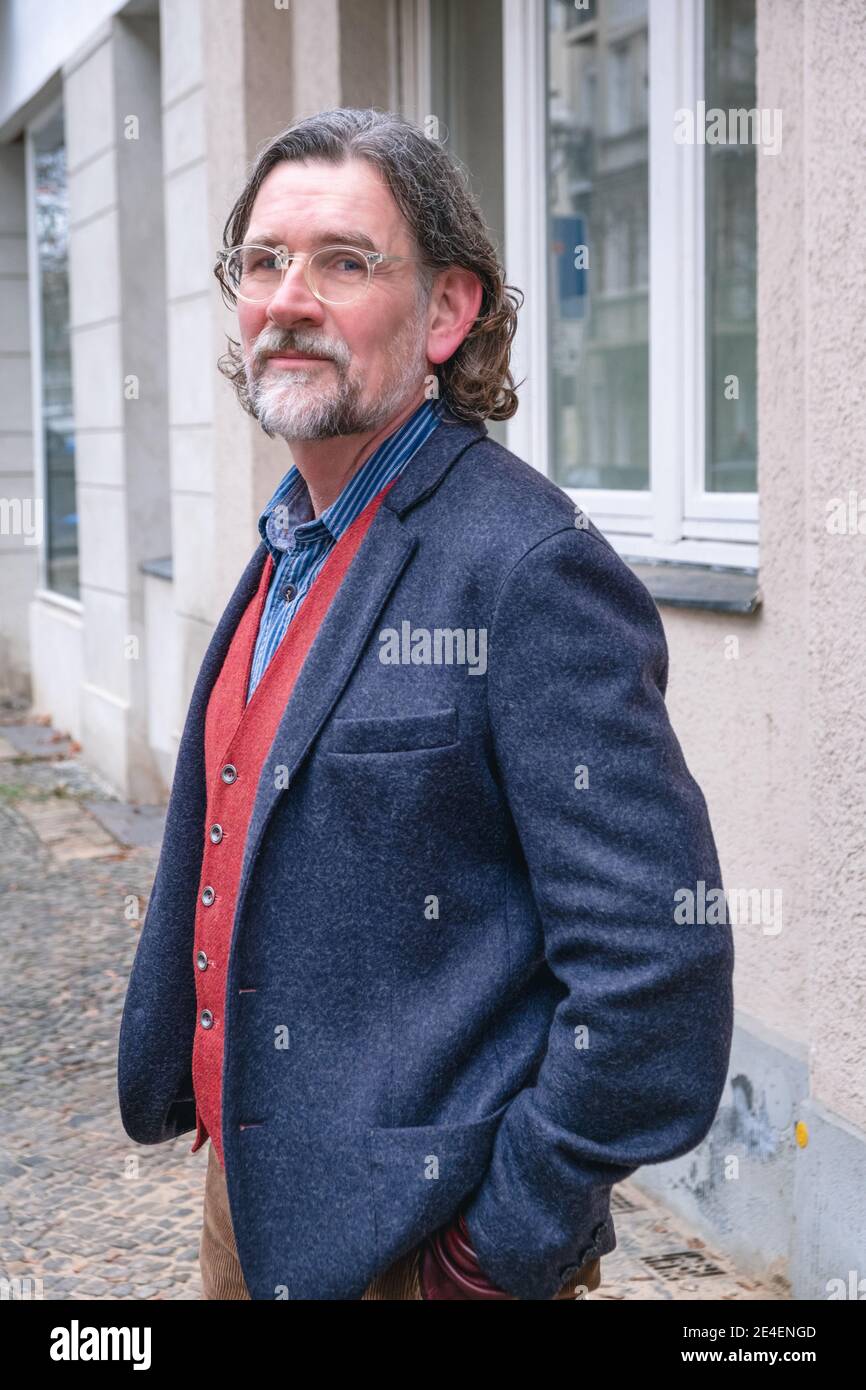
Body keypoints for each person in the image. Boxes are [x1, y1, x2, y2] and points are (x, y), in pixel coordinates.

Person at [117, 107, 734, 1301]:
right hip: (252, 1206)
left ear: (448, 312)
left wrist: (496, 1248)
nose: (287, 298)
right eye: (262, 260)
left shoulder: (524, 565)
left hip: (427, 1248)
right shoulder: (291, 539)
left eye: (344, 262)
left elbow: (657, 964)